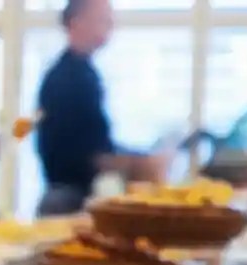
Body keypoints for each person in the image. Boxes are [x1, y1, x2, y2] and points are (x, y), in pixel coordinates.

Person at [35, 0, 169, 215]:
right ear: (77, 23)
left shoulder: (86, 74)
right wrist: (138, 164)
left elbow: (98, 142)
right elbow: (82, 154)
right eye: (102, 19)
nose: (110, 25)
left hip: (78, 192)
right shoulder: (65, 79)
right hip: (68, 200)